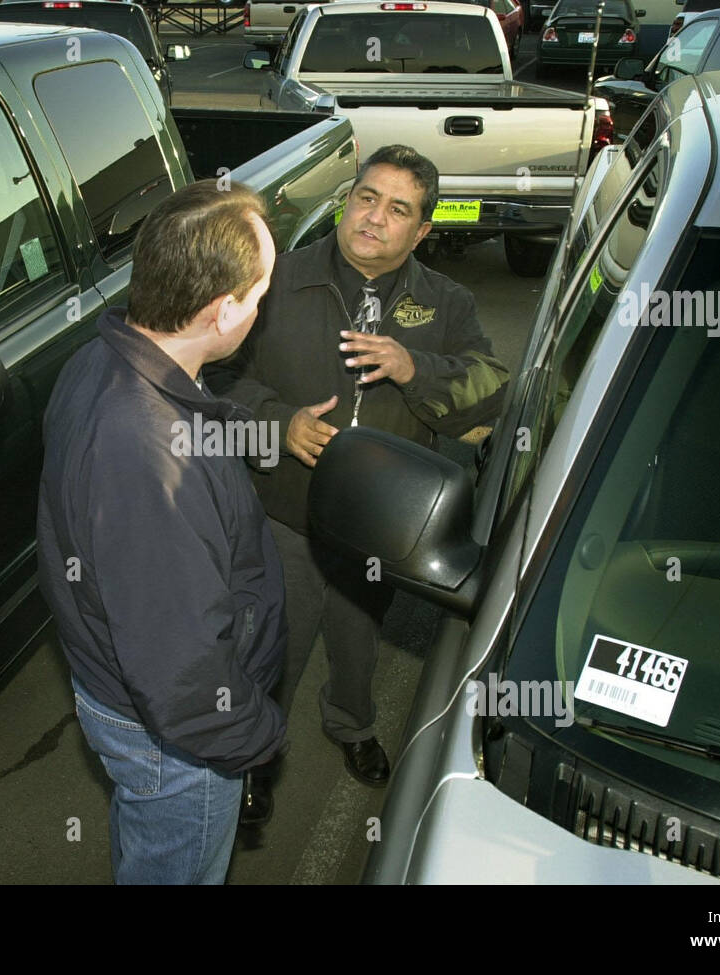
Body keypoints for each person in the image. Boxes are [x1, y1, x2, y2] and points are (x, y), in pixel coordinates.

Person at [207, 144, 509, 825]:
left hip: (379, 523)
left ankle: (351, 724)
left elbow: (489, 389)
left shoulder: (447, 302)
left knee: (357, 636)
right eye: (366, 197)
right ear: (348, 199)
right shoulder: (276, 280)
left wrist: (415, 368)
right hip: (283, 509)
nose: (374, 217)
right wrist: (275, 422)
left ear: (424, 230)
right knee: (269, 640)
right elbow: (215, 378)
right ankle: (254, 753)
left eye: (398, 209)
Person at [35, 180, 288, 884]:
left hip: (127, 706)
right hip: (178, 746)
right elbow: (180, 675)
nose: (262, 308)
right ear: (223, 309)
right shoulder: (147, 461)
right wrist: (257, 734)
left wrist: (246, 428)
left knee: (147, 843)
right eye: (259, 296)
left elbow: (185, 409)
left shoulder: (107, 355)